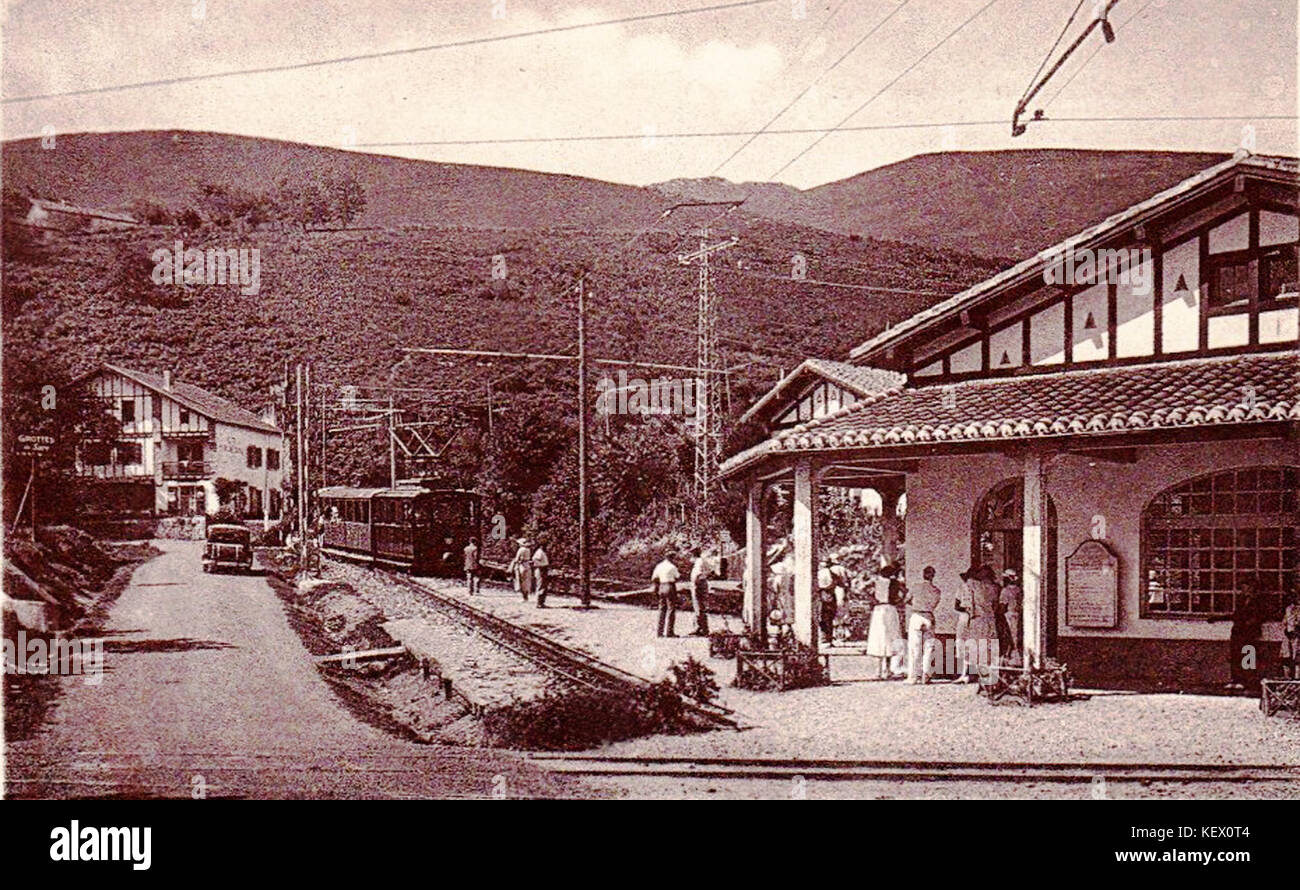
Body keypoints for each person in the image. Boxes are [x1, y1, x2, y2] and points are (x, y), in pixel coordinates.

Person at [1209, 578, 1267, 691]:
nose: (1243, 590)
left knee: (1248, 656)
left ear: (1252, 588)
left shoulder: (1258, 601)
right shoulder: (1241, 601)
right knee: (1235, 656)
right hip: (1238, 632)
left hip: (1249, 633)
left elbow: (1261, 615)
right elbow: (1235, 615)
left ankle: (1248, 680)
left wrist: (1251, 622)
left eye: (1246, 587)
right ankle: (1236, 679)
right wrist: (1217, 618)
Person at [866, 563, 904, 679]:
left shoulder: (875, 582)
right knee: (890, 637)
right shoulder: (895, 583)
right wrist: (898, 601)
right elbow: (904, 594)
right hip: (890, 609)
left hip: (879, 609)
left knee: (879, 637)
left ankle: (878, 670)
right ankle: (887, 669)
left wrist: (873, 600)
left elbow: (864, 590)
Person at [905, 566, 941, 684]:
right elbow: (934, 604)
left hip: (916, 615)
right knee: (929, 647)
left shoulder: (916, 587)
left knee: (914, 648)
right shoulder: (936, 590)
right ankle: (926, 674)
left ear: (923, 574)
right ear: (933, 575)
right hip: (928, 616)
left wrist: (916, 603)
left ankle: (913, 676)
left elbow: (907, 600)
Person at [651, 553, 680, 638]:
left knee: (662, 609)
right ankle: (669, 631)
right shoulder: (672, 567)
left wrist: (657, 586)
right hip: (669, 586)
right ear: (672, 558)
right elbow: (677, 576)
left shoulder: (659, 566)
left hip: (661, 586)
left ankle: (659, 632)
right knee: (671, 609)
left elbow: (654, 578)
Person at [689, 548, 716, 636]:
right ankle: (698, 627)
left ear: (695, 554)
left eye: (692, 553)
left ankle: (704, 629)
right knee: (697, 607)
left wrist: (697, 585)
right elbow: (710, 571)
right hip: (697, 584)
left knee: (700, 607)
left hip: (699, 585)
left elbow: (700, 574)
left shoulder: (700, 561)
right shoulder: (699, 562)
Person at [1000, 568, 1023, 656]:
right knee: (1016, 634)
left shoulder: (1006, 591)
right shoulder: (1019, 590)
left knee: (1011, 635)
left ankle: (1013, 653)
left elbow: (1003, 605)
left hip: (1009, 614)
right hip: (1018, 614)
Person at [1282, 586, 1300, 680]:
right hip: (1288, 636)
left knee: (1298, 659)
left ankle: (1297, 680)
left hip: (1297, 636)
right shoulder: (1289, 609)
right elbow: (1286, 621)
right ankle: (1287, 679)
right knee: (1286, 658)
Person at [532, 541, 550, 608]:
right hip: (541, 569)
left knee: (544, 586)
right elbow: (534, 559)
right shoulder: (539, 552)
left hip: (543, 569)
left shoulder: (542, 552)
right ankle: (538, 602)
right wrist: (539, 565)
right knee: (541, 585)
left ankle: (542, 602)